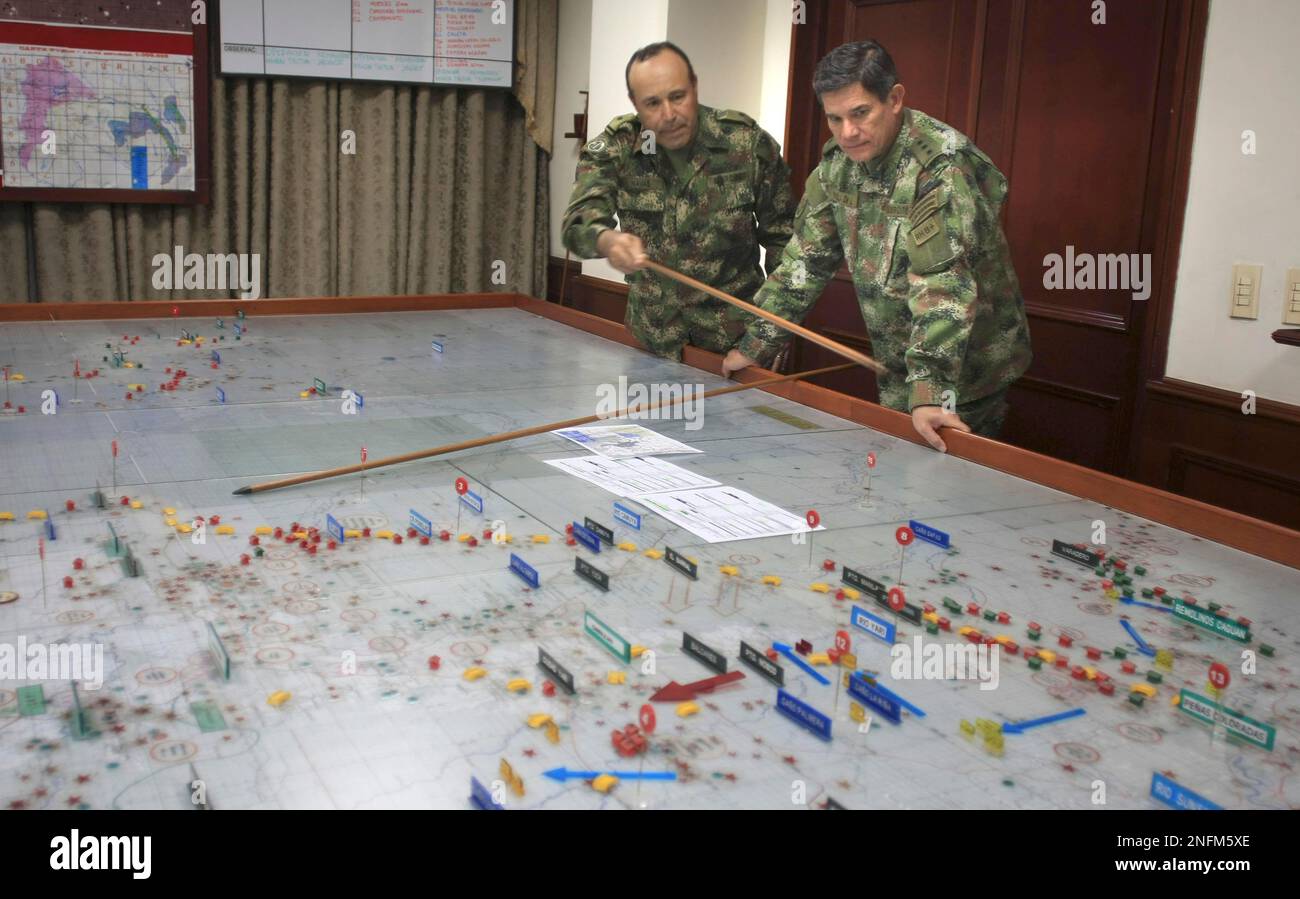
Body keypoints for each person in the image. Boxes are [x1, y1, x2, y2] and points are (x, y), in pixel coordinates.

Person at [722, 40, 1032, 452]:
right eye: (835, 119)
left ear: (895, 99)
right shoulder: (837, 167)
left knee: (938, 496)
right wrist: (756, 342)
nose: (848, 132)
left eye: (860, 113)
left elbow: (944, 288)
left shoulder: (940, 168)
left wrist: (929, 389)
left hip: (965, 370)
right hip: (899, 361)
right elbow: (805, 261)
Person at [562, 41, 794, 360]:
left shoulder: (746, 145)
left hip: (735, 349)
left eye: (678, 97)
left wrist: (765, 339)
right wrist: (606, 240)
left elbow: (788, 246)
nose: (669, 115)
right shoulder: (617, 148)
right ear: (635, 104)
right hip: (652, 344)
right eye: (652, 103)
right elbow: (577, 222)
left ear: (694, 87)